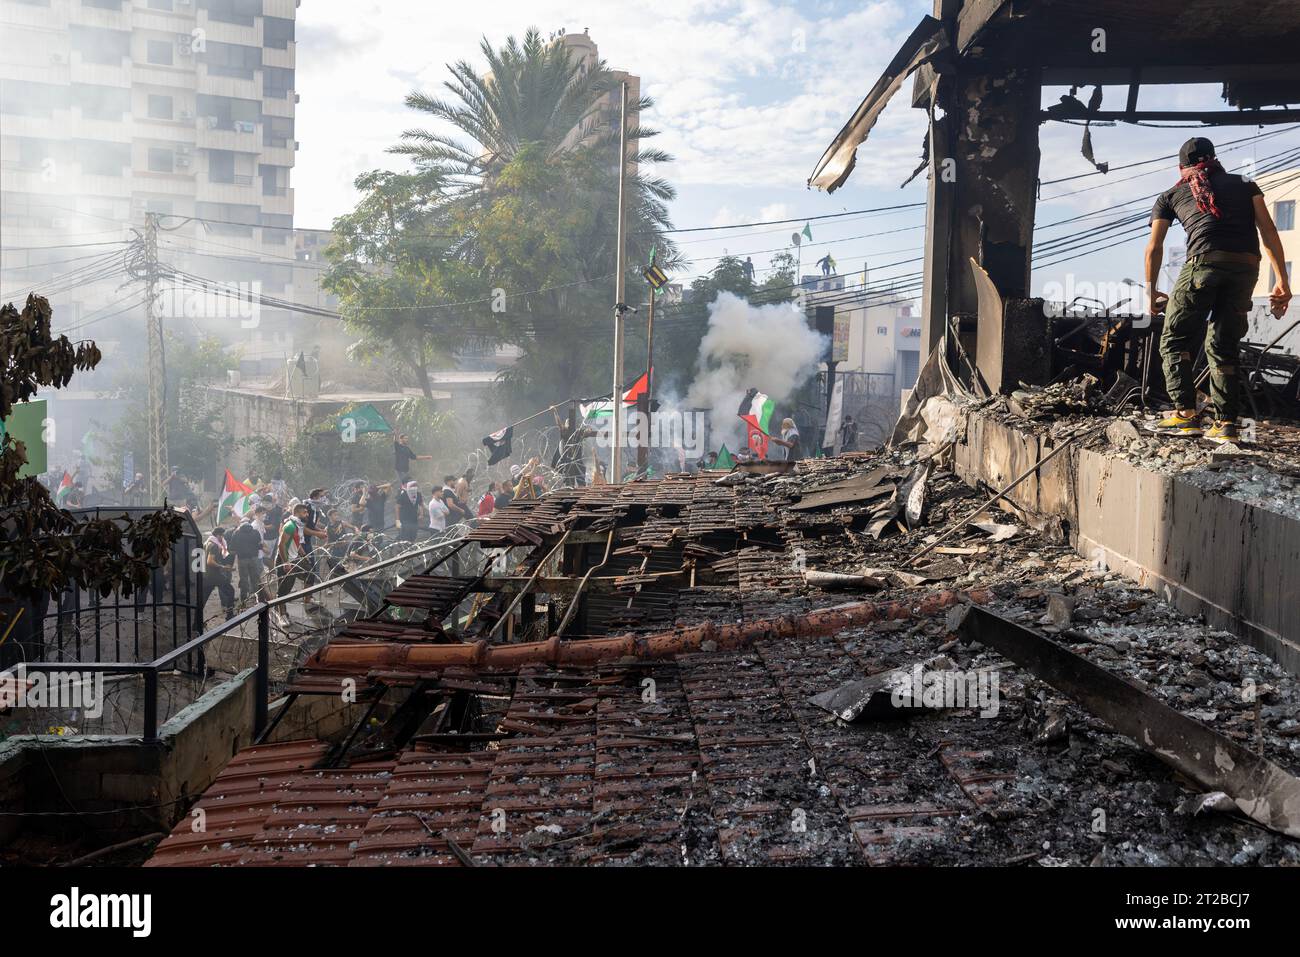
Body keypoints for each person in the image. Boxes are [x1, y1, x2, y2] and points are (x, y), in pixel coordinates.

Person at [1148, 136, 1291, 442]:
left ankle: (1185, 415)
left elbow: (1154, 248)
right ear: (1215, 159)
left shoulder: (1172, 194)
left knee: (1174, 340)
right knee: (1223, 345)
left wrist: (1150, 291)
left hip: (1203, 265)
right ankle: (1226, 424)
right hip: (1246, 269)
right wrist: (1282, 280)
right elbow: (1267, 229)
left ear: (1182, 167)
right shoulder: (1245, 183)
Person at [275, 502, 316, 616]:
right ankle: (282, 615)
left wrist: (304, 556)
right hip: (285, 559)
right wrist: (285, 563)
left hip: (296, 558)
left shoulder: (298, 526)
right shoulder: (290, 526)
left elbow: (297, 543)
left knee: (310, 575)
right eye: (305, 512)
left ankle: (307, 601)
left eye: (307, 512)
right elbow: (281, 545)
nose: (307, 514)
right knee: (284, 590)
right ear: (297, 513)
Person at [200, 527, 237, 622]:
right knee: (230, 591)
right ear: (218, 535)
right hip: (214, 575)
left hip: (206, 575)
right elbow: (210, 561)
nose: (223, 537)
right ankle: (230, 615)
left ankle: (197, 620)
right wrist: (222, 567)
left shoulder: (206, 543)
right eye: (222, 535)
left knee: (203, 599)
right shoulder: (214, 546)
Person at [228, 514, 265, 603]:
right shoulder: (255, 532)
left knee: (244, 580)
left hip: (242, 560)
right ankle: (256, 599)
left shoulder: (236, 533)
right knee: (255, 579)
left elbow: (232, 549)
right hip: (254, 559)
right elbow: (260, 545)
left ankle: (243, 600)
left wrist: (240, 551)